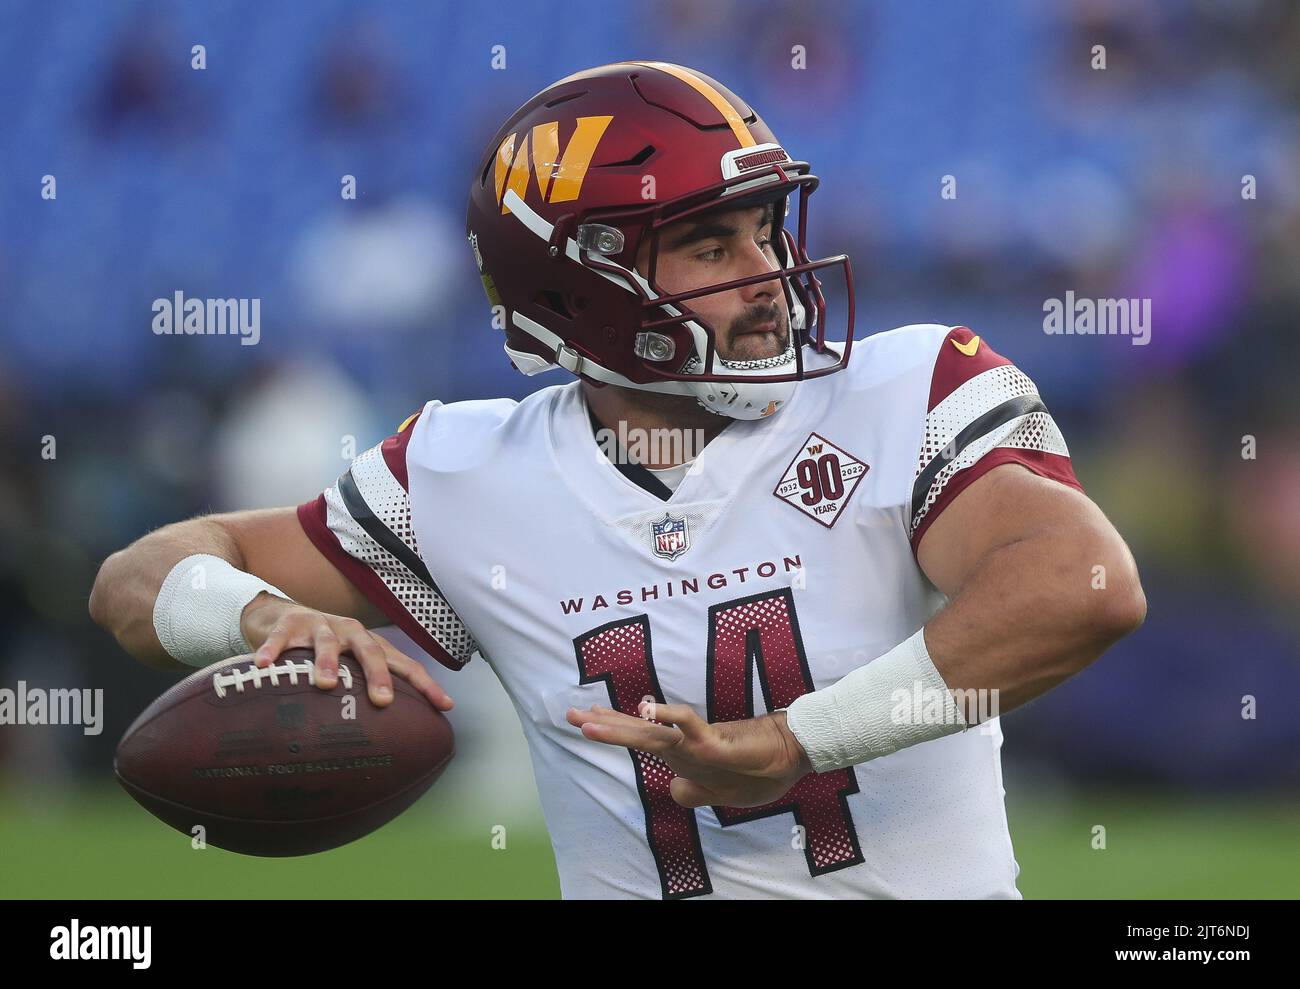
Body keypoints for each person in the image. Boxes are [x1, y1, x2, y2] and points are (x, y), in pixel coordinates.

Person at [90, 61, 1145, 899]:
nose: (770, 273)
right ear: (581, 287)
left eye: (766, 228)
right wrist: (266, 613)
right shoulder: (466, 472)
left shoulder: (906, 386)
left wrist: (794, 740)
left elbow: (1082, 585)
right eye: (709, 242)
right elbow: (135, 581)